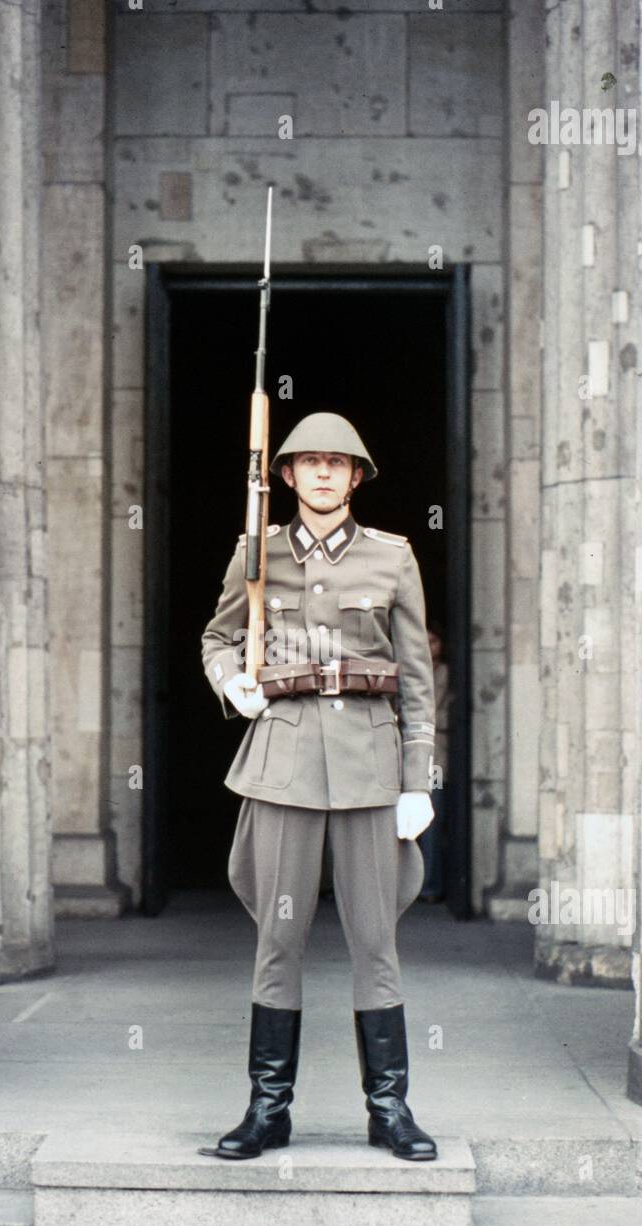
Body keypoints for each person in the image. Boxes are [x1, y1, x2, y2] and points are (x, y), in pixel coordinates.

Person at [198, 412, 438, 1162]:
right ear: (288, 476)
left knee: (376, 942)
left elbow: (417, 682)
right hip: (283, 763)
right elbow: (219, 636)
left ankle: (389, 1110)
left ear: (357, 477)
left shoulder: (392, 558)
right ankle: (267, 1110)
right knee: (278, 942)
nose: (325, 474)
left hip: (370, 768)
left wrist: (417, 780)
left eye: (340, 463)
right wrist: (231, 681)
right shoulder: (256, 553)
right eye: (310, 463)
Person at [418, 624, 450, 904]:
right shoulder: (414, 673)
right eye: (425, 641)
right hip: (412, 755)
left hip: (437, 756)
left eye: (435, 641)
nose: (430, 647)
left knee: (433, 821)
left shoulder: (445, 674)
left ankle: (431, 885)